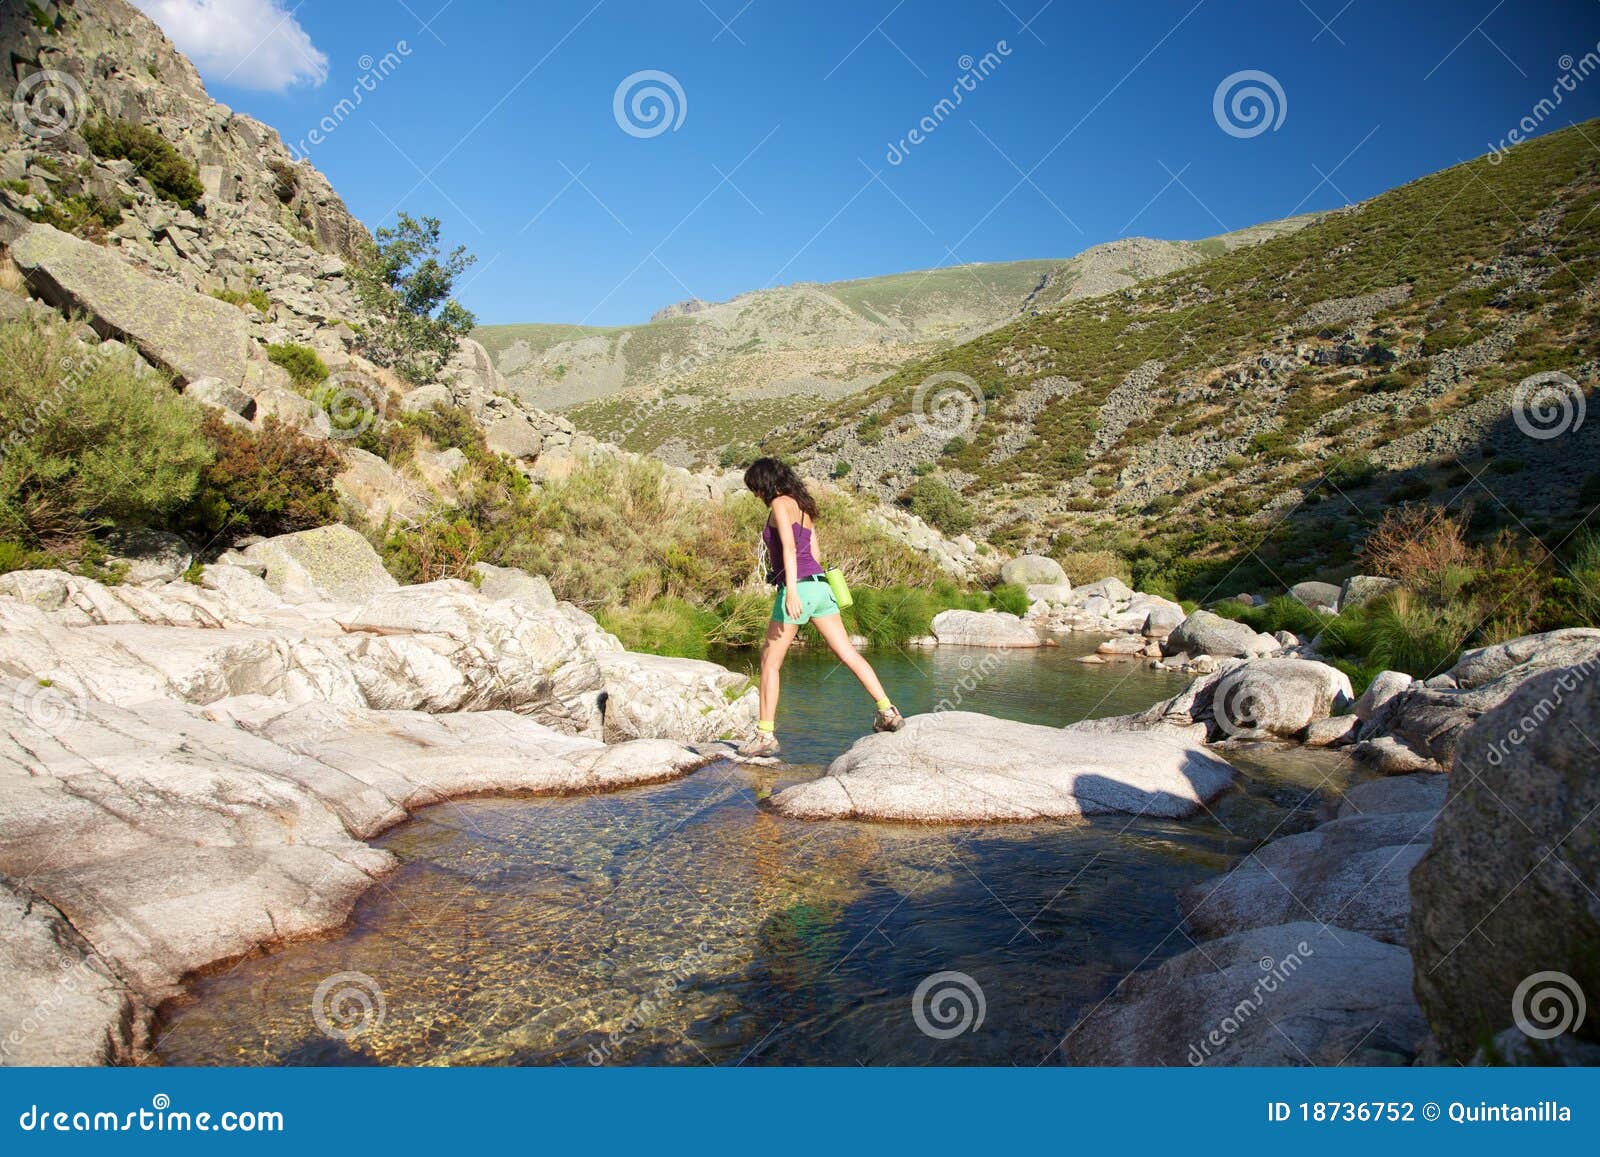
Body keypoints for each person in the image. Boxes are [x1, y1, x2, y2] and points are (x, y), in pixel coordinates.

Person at [736, 457, 904, 759]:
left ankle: (765, 736)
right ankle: (888, 711)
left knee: (769, 663)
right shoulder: (804, 507)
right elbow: (814, 551)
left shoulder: (779, 504)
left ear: (765, 483)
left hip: (798, 586)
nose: (755, 495)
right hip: (821, 586)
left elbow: (788, 547)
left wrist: (791, 591)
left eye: (755, 488)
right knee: (849, 653)